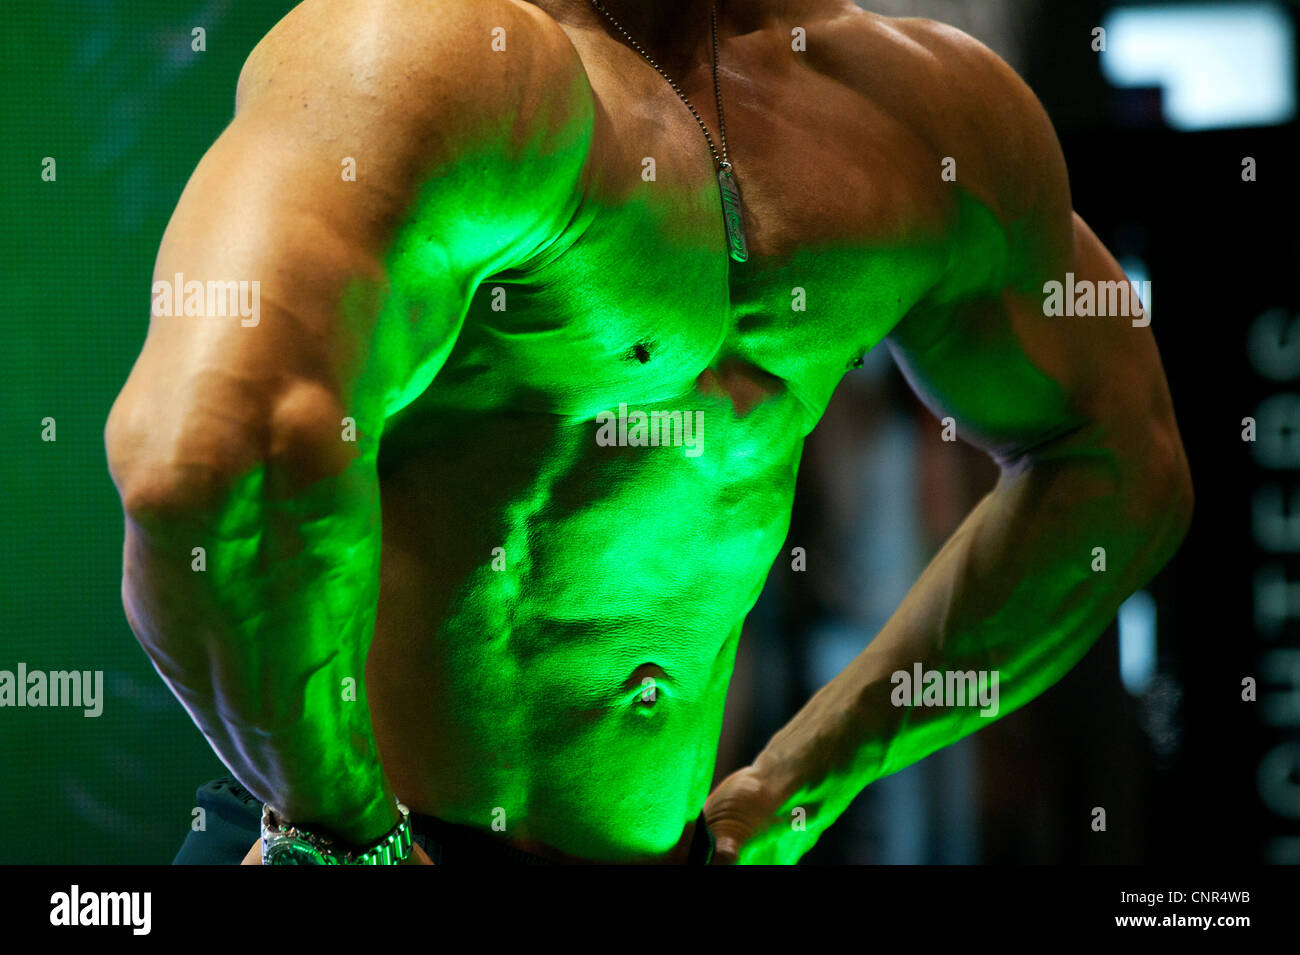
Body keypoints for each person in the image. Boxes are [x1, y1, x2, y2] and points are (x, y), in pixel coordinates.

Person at [105, 0, 1193, 864]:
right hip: (379, 842)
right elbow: (205, 463)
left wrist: (810, 776)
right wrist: (342, 836)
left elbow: (1120, 462)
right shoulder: (430, 55)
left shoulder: (921, 113)